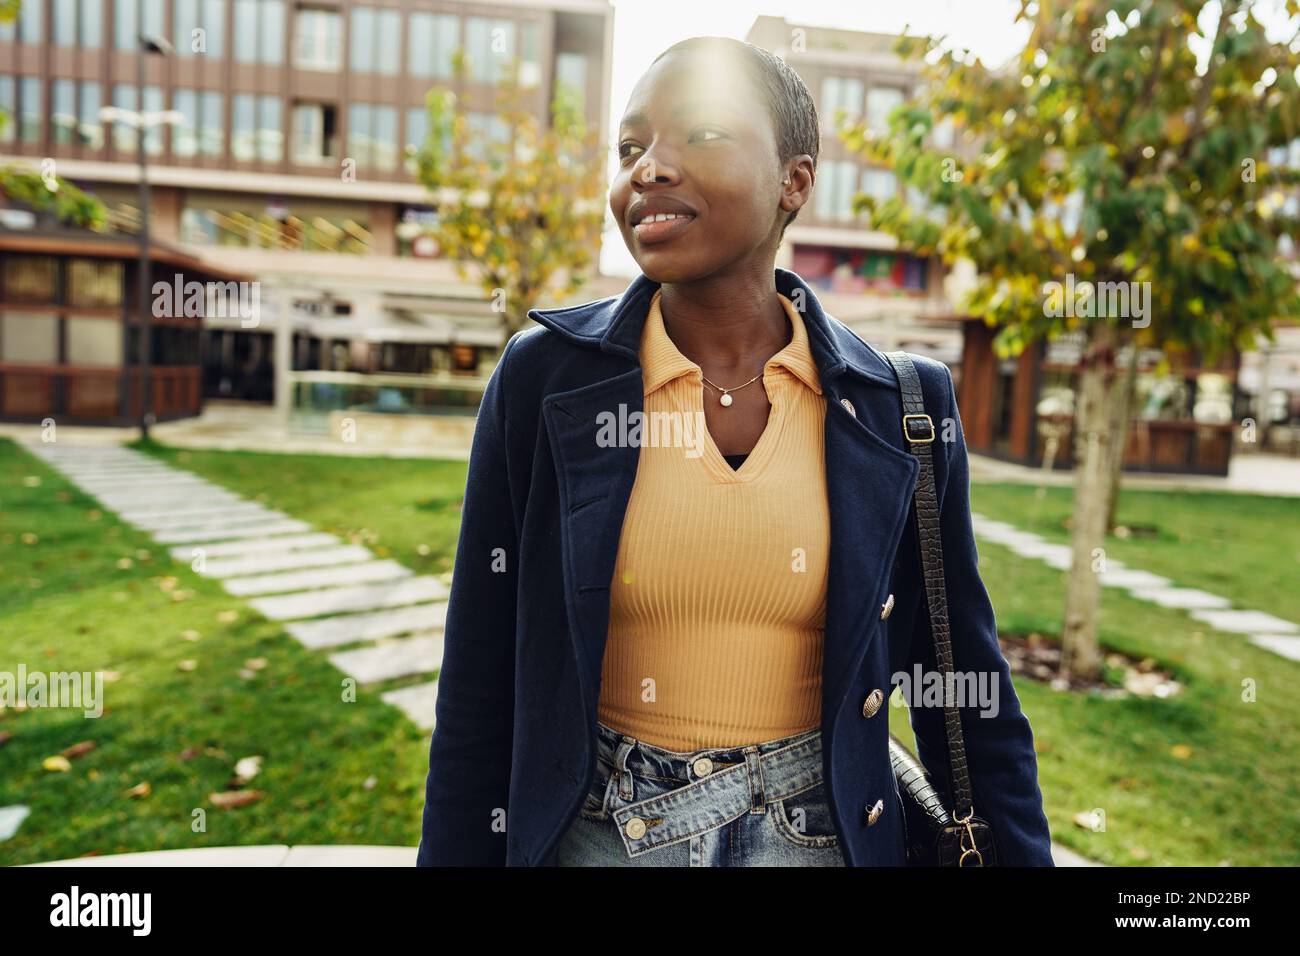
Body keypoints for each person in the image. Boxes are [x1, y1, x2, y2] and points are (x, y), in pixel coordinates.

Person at [416, 35, 1054, 867]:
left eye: (701, 135)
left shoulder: (903, 406)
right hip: (598, 836)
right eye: (630, 147)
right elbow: (479, 683)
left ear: (795, 179)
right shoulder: (543, 382)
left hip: (820, 837)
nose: (648, 167)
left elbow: (964, 687)